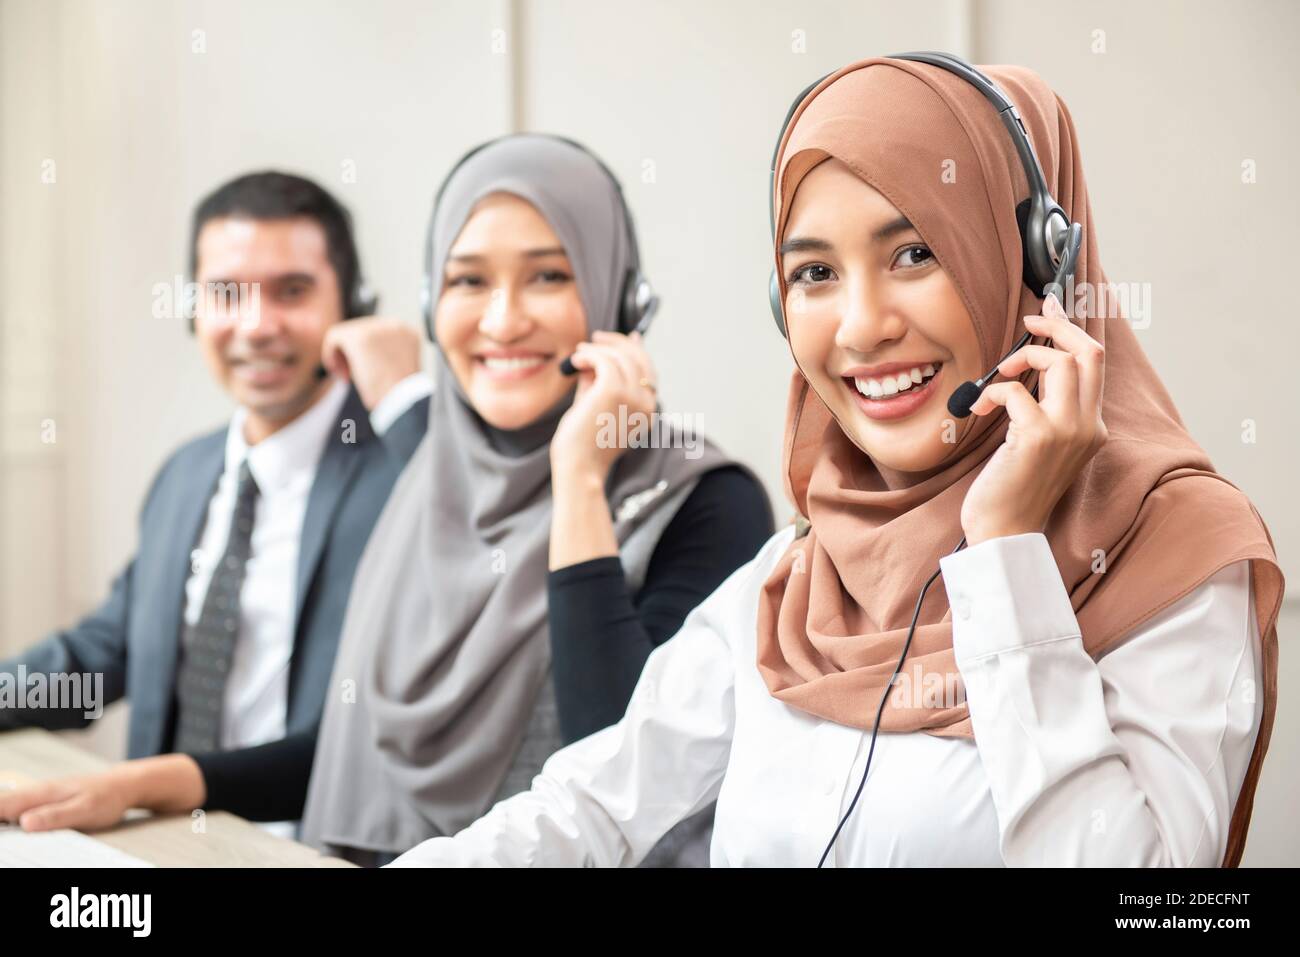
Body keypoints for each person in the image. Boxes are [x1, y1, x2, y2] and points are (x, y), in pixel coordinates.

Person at [387, 56, 1284, 868]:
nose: (861, 327)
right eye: (815, 273)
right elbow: (588, 810)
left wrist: (1006, 556)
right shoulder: (798, 572)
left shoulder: (1178, 554)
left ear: (1036, 265)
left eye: (915, 252)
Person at [298, 134, 774, 866]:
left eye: (549, 276)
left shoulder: (707, 499)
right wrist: (182, 775)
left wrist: (580, 479)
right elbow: (352, 733)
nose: (502, 320)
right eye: (468, 282)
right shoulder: (424, 477)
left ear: (620, 299)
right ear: (431, 303)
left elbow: (622, 779)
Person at [0, 171, 430, 836]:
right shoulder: (188, 472)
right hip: (169, 845)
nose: (256, 326)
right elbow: (103, 649)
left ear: (353, 303)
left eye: (292, 290)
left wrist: (411, 400)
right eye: (226, 293)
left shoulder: (408, 477)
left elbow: (387, 738)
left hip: (317, 849)